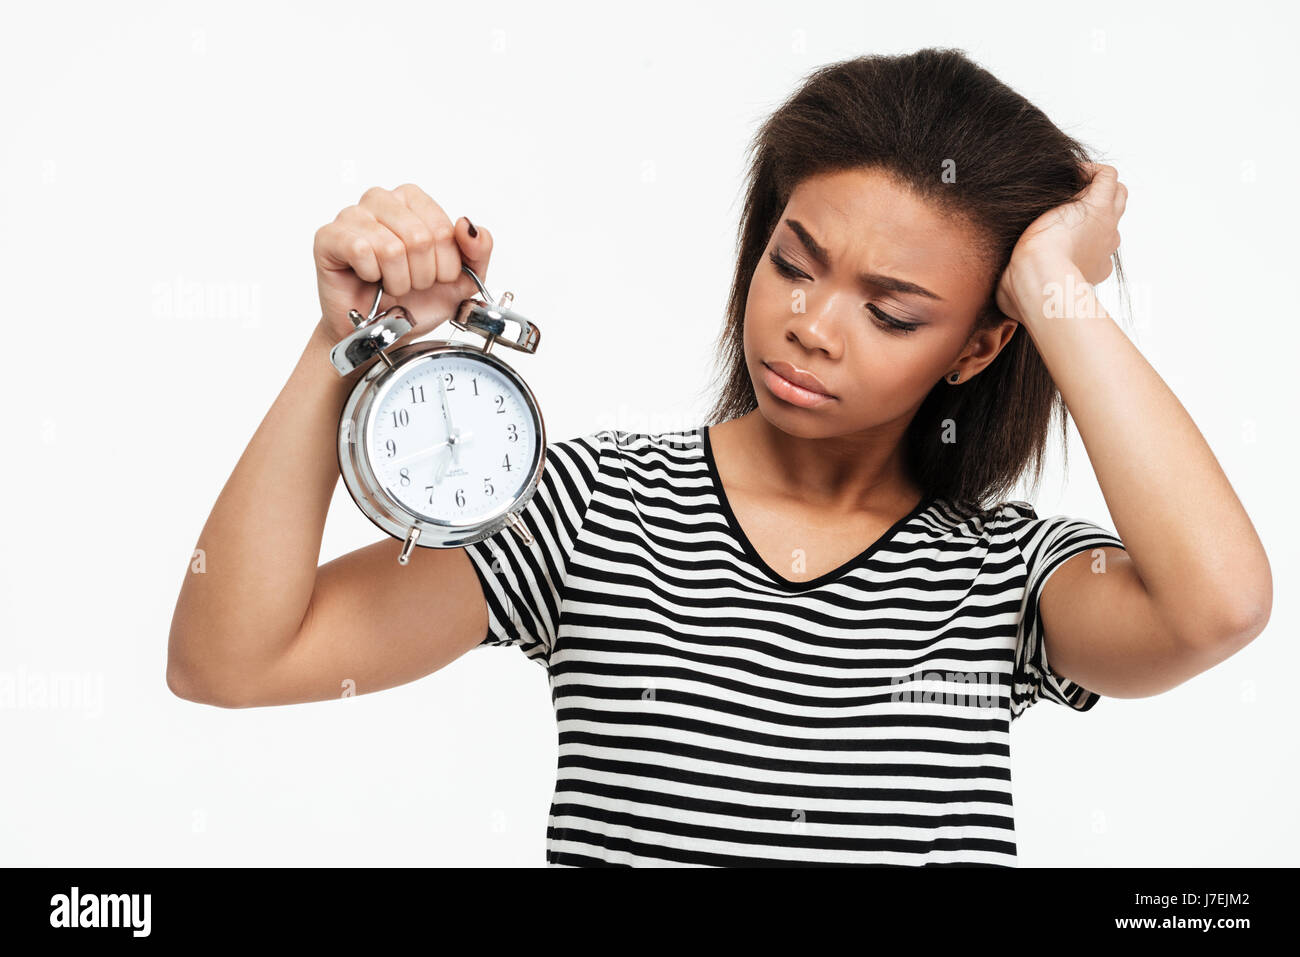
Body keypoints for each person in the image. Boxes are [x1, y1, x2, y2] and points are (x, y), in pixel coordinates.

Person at [168, 48, 1272, 866]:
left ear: (979, 345)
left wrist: (1054, 291)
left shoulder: (1003, 579)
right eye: (794, 264)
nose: (813, 325)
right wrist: (342, 346)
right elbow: (233, 662)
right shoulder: (591, 508)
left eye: (891, 314)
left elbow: (1215, 606)